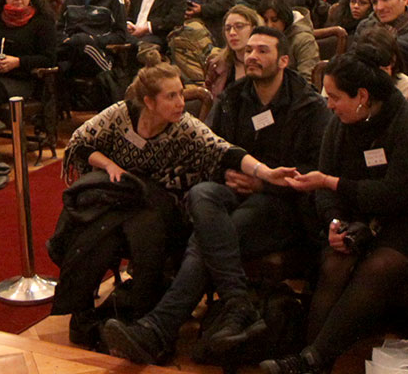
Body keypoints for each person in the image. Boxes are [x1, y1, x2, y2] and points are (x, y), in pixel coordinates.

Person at [101, 27, 330, 365]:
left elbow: (315, 170)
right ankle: (235, 302)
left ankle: (159, 328)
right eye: (249, 50)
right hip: (231, 192)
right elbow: (210, 150)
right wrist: (227, 174)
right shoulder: (234, 97)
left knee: (211, 236)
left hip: (283, 204)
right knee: (202, 193)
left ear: (283, 60)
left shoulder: (309, 105)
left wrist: (263, 184)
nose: (251, 55)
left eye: (262, 50)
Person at [60, 63, 297, 348]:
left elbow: (225, 151)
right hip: (124, 200)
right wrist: (109, 163)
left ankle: (142, 315)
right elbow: (80, 143)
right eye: (171, 96)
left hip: (168, 207)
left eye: (181, 94)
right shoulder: (120, 114)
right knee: (98, 231)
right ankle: (84, 315)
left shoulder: (184, 126)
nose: (181, 103)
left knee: (140, 225)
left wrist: (266, 173)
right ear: (149, 101)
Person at [262, 47, 408, 374]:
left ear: (362, 96)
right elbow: (323, 191)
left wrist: (331, 182)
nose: (329, 104)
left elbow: (394, 195)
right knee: (335, 261)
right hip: (360, 219)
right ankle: (312, 362)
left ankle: (312, 359)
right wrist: (334, 221)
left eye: (335, 96)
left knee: (376, 267)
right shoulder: (338, 125)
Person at [204, 5, 262, 98]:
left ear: (254, 29)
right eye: (228, 28)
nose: (232, 33)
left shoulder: (266, 65)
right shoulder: (216, 65)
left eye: (239, 26)